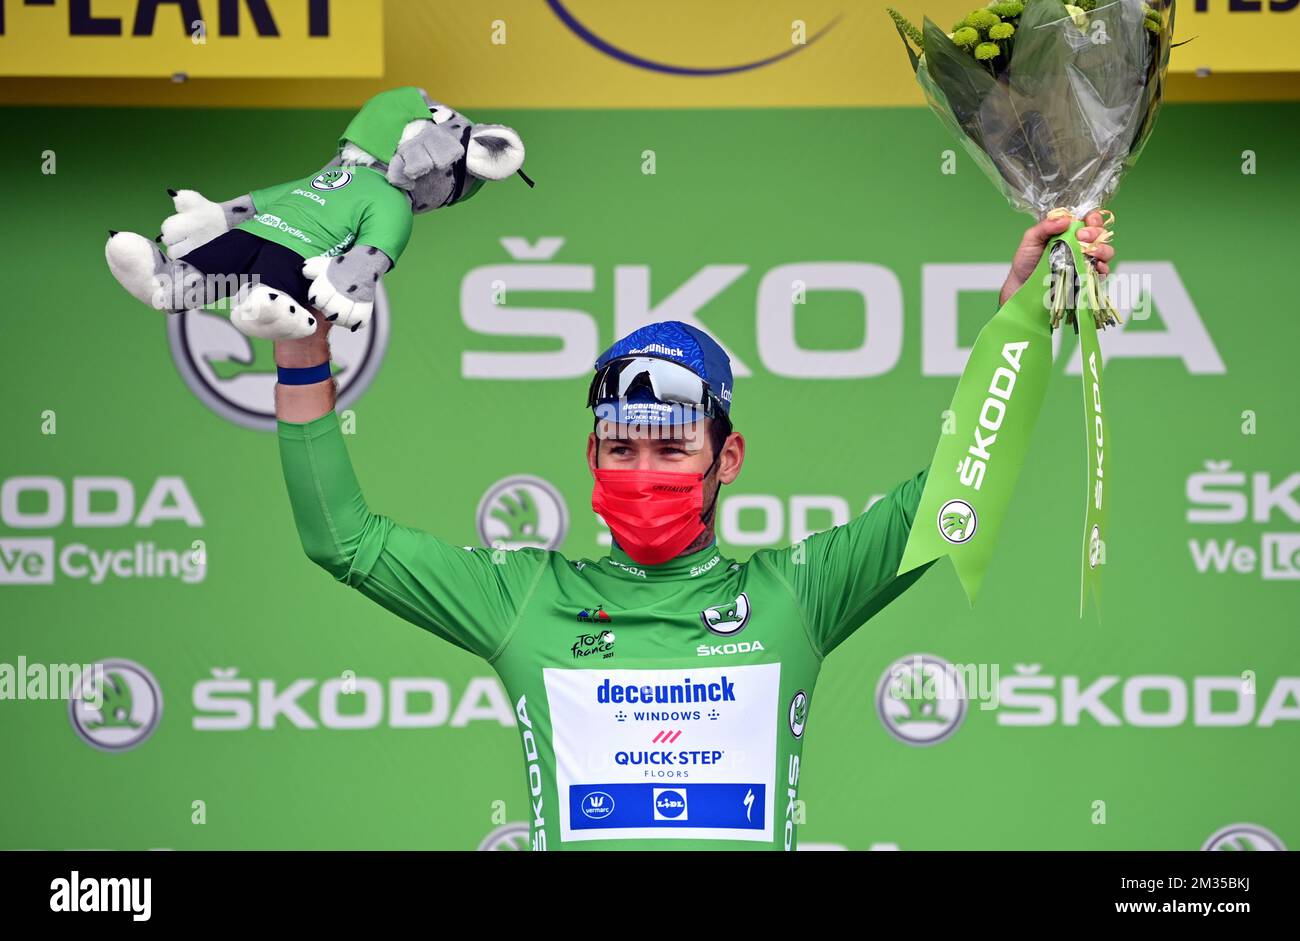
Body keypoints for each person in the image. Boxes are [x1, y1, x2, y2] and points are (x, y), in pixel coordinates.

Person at [275, 213, 1116, 850]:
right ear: (591, 454)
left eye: (673, 445)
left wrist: (1020, 328)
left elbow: (946, 503)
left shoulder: (794, 597)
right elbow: (342, 540)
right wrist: (301, 351)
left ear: (729, 456)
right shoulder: (526, 597)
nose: (643, 469)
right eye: (620, 446)